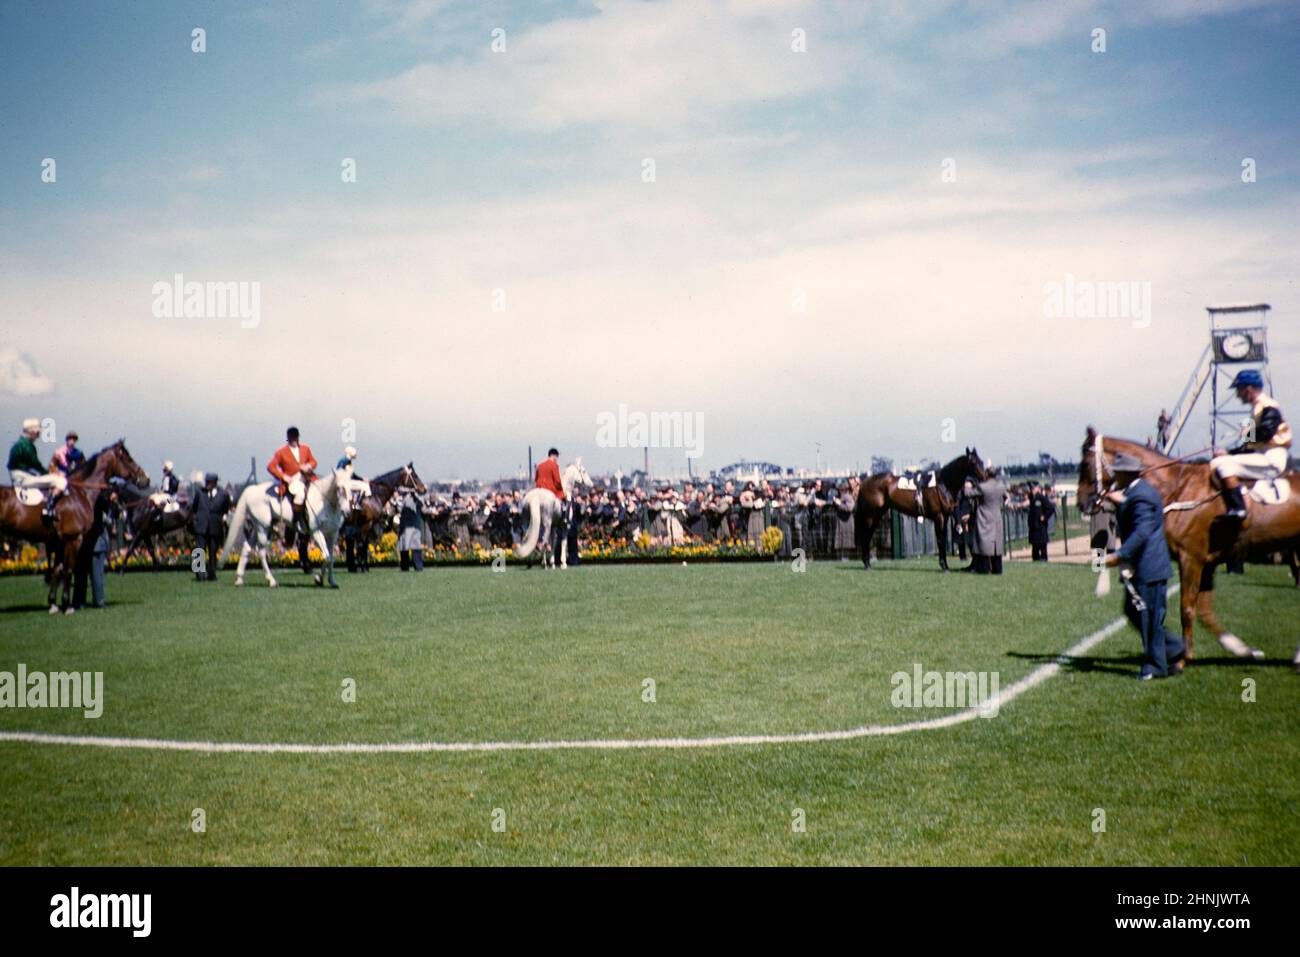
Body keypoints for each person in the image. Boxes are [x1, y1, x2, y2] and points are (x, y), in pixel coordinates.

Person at [1105, 453, 1184, 680]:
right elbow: (1132, 510)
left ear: (1125, 474)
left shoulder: (1141, 496)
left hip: (1148, 566)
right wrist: (1122, 501)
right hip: (1145, 567)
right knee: (1134, 611)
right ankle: (1174, 647)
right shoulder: (1136, 493)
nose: (1114, 475)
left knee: (1148, 617)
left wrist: (1119, 555)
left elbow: (1141, 532)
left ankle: (1155, 666)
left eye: (1116, 471)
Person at [1209, 369, 1291, 520]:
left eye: (1238, 390)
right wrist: (1228, 452)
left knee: (1223, 465)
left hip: (1272, 457)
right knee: (1219, 460)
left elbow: (1266, 432)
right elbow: (1250, 445)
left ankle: (1239, 508)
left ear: (1248, 389)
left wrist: (1248, 433)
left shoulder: (1268, 405)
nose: (1237, 395)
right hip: (1262, 455)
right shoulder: (1257, 408)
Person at [267, 426, 318, 541]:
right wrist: (283, 476)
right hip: (292, 481)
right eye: (292, 437)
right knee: (300, 495)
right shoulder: (281, 452)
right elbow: (270, 466)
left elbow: (313, 461)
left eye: (296, 437)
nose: (295, 440)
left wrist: (308, 466)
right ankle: (296, 522)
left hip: (307, 478)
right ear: (288, 438)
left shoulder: (305, 449)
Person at [7, 418, 66, 516]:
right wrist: (52, 474)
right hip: (25, 478)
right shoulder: (27, 446)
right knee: (60, 481)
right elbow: (36, 465)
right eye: (37, 432)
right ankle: (48, 509)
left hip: (18, 476)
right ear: (31, 432)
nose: (38, 435)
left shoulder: (18, 445)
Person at [73, 485, 118, 610]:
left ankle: (79, 602)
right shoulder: (99, 498)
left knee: (80, 574)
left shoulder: (81, 496)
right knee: (96, 575)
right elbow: (112, 512)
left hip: (83, 541)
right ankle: (99, 601)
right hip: (96, 541)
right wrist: (112, 500)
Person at [192, 472, 231, 582]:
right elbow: (194, 507)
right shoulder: (200, 492)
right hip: (201, 524)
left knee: (213, 551)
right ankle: (199, 574)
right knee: (199, 549)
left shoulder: (223, 494)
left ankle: (212, 573)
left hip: (215, 525)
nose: (207, 484)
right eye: (206, 482)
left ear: (215, 483)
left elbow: (225, 508)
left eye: (209, 482)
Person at [969, 464, 1007, 574]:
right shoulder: (1001, 486)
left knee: (984, 544)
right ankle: (997, 568)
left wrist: (967, 485)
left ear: (987, 474)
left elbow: (969, 494)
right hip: (997, 518)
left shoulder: (983, 487)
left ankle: (984, 568)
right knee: (996, 546)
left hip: (984, 517)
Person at [1027, 480, 1056, 562]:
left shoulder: (1041, 497)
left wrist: (1044, 517)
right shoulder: (1031, 497)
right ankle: (1035, 559)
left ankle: (1043, 559)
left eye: (1033, 488)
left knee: (1042, 544)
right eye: (1031, 488)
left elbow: (1051, 508)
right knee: (1034, 545)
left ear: (1037, 488)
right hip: (1033, 525)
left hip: (1040, 525)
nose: (1031, 489)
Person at [397, 488, 425, 571]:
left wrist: (414, 495)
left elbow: (421, 504)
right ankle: (405, 567)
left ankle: (418, 567)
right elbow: (399, 508)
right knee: (404, 547)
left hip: (414, 526)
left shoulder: (417, 498)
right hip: (404, 526)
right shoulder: (403, 499)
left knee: (415, 546)